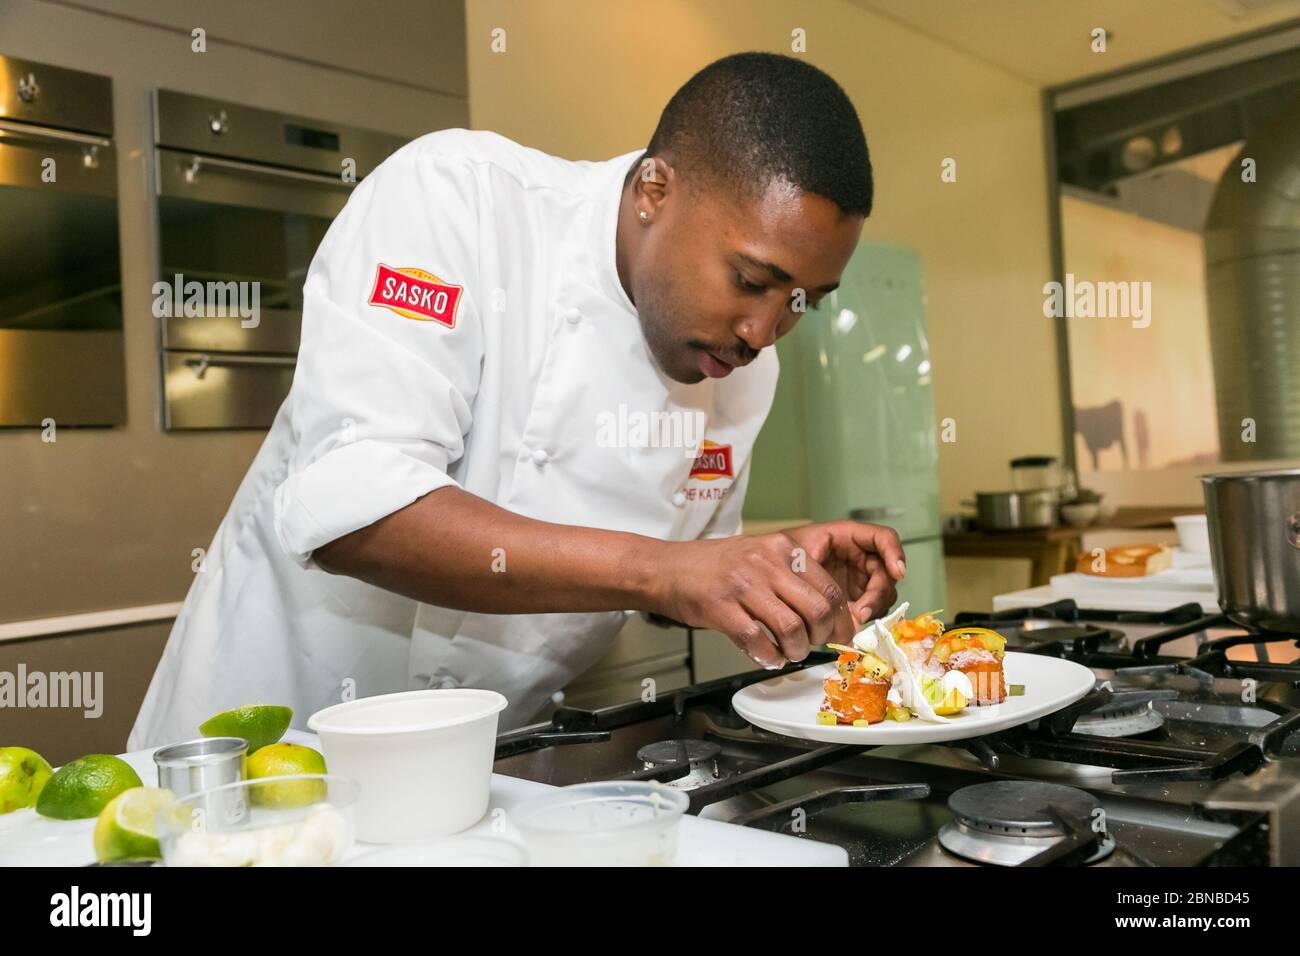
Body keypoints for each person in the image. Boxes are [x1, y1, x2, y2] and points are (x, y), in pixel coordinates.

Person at [128, 52, 905, 748]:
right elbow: (353, 512)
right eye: (752, 280)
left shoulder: (740, 370)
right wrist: (667, 570)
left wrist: (777, 569)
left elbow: (677, 588)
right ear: (653, 188)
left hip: (475, 764)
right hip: (269, 739)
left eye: (806, 301)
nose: (765, 331)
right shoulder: (459, 200)